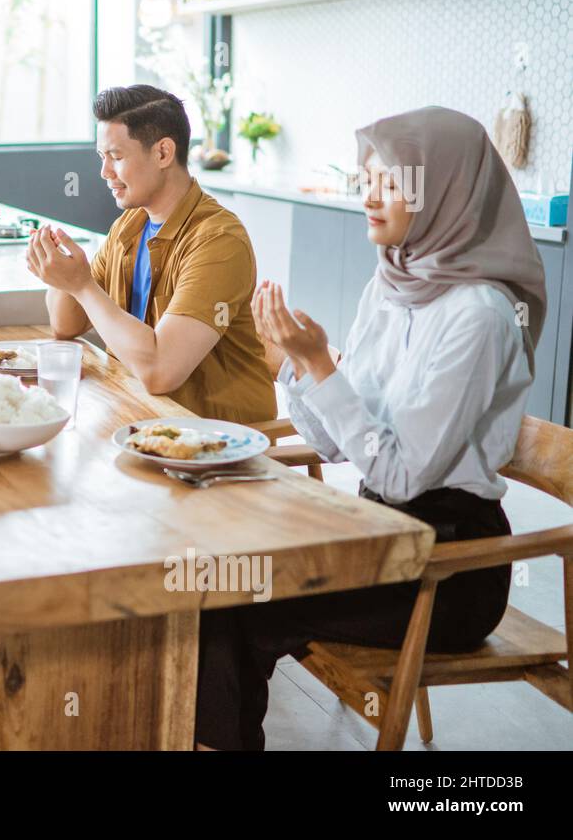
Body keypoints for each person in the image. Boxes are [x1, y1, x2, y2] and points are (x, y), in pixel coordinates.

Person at [195, 106, 546, 750]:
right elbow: (333, 444)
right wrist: (298, 365)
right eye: (366, 179)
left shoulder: (481, 315)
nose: (370, 197)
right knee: (218, 578)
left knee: (231, 601)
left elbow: (401, 475)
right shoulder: (391, 284)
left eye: (391, 182)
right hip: (377, 536)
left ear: (444, 190)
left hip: (449, 568)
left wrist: (321, 364)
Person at [26, 84, 275, 424]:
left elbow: (160, 372)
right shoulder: (130, 225)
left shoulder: (219, 241)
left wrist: (83, 286)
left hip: (211, 445)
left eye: (116, 157)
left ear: (162, 153)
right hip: (138, 417)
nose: (104, 173)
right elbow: (66, 325)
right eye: (102, 158)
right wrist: (64, 277)